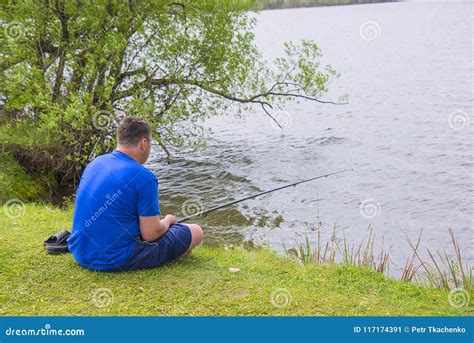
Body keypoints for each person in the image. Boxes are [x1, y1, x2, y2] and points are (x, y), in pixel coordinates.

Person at [67, 116, 203, 271]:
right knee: (195, 231)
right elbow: (151, 234)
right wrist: (168, 220)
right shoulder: (144, 177)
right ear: (143, 144)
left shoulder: (96, 163)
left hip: (80, 252)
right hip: (115, 258)